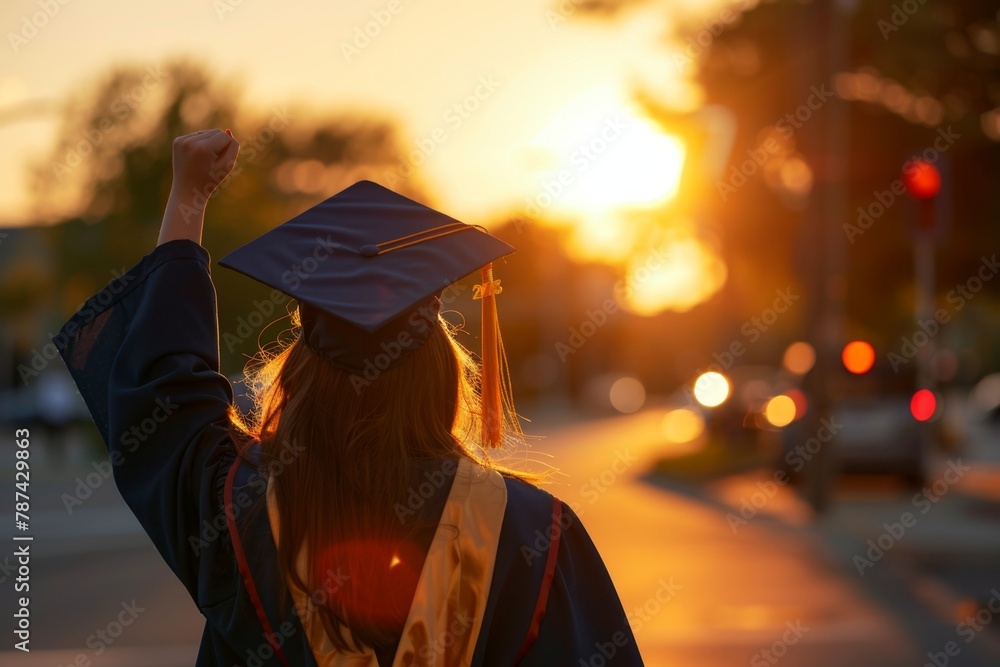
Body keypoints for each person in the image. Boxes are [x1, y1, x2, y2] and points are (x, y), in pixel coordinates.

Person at [56, 128, 644, 666]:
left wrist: (188, 198)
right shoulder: (532, 532)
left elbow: (167, 396)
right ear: (441, 372)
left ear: (299, 372)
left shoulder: (234, 509)